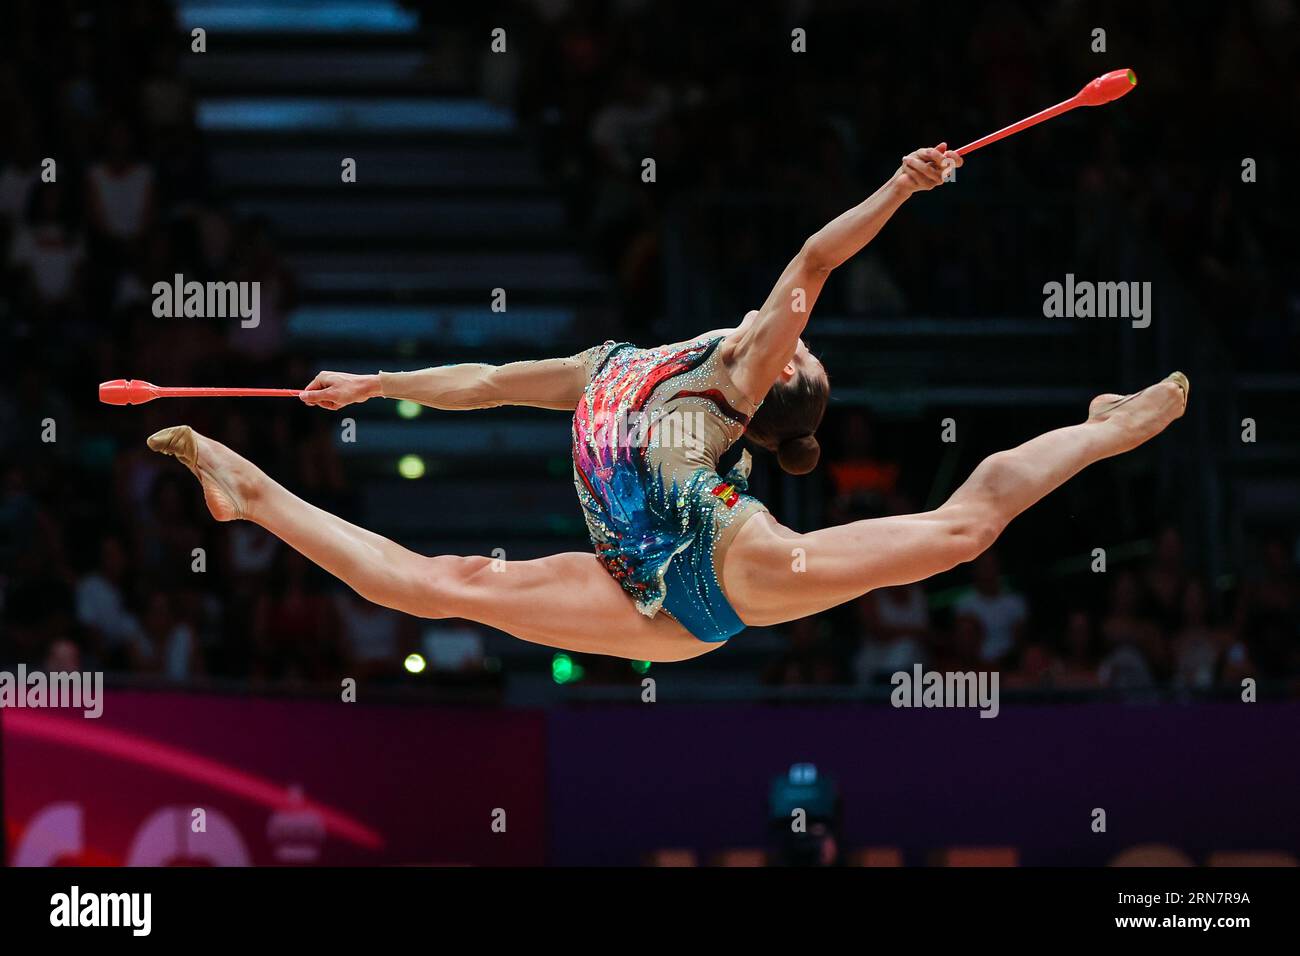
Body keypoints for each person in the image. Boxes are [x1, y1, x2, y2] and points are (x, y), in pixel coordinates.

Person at [146, 145, 1189, 662]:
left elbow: (815, 261)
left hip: (726, 562)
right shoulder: (612, 364)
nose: (789, 335)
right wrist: (378, 384)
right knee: (441, 584)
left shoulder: (732, 383)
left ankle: (1102, 428)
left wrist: (900, 187)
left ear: (775, 386)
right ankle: (250, 491)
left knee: (960, 532)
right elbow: (490, 384)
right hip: (636, 588)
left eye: (798, 354)